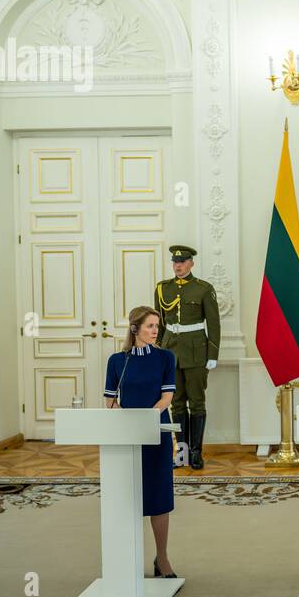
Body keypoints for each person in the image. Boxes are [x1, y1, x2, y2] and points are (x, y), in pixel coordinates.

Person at [105, 305, 179, 579]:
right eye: (150, 326)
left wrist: (146, 418)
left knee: (159, 496)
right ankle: (126, 559)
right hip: (126, 436)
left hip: (155, 432)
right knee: (127, 497)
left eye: (157, 326)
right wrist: (126, 422)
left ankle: (162, 557)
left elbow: (166, 398)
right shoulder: (116, 361)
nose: (155, 331)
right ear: (135, 328)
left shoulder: (165, 358)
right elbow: (111, 402)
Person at [154, 245, 220, 470]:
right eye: (175, 262)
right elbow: (160, 324)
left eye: (182, 262)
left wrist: (212, 353)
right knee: (177, 404)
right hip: (170, 352)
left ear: (191, 263)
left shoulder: (203, 289)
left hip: (196, 352)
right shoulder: (162, 289)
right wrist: (158, 351)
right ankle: (181, 454)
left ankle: (196, 453)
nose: (178, 266)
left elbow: (213, 324)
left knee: (197, 402)